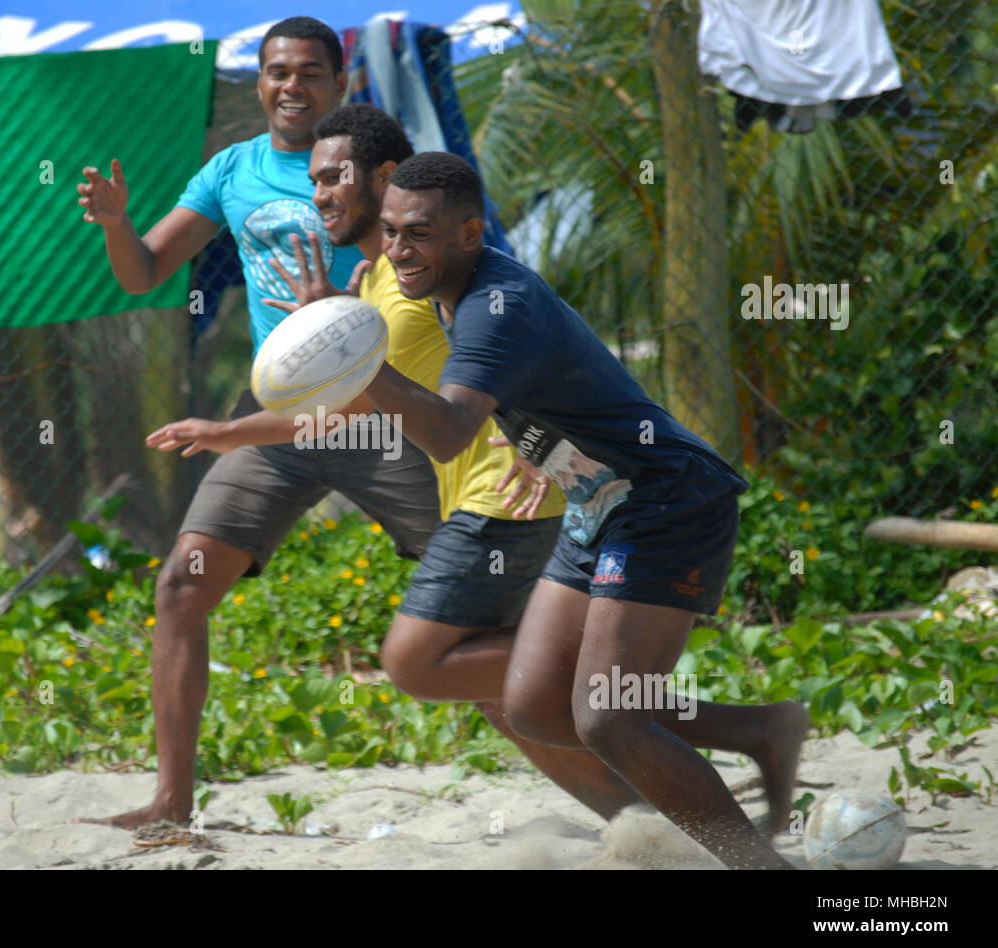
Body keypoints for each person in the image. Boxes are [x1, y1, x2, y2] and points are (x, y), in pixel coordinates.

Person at [154, 103, 646, 821]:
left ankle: (650, 709)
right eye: (312, 180)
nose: (318, 193)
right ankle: (640, 818)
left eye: (333, 178)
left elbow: (530, 343)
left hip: (505, 494)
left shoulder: (431, 274)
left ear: (384, 177)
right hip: (478, 493)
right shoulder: (384, 279)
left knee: (431, 663)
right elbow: (374, 400)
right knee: (476, 675)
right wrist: (242, 427)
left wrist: (539, 441)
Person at [361, 151, 808, 869]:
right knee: (537, 706)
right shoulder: (451, 292)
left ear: (470, 233)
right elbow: (556, 386)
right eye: (388, 231)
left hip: (666, 499)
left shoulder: (493, 307)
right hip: (596, 503)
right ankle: (761, 731)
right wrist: (537, 449)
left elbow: (446, 434)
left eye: (417, 233)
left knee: (607, 716)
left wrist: (355, 361)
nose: (397, 250)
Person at [74, 17, 440, 830]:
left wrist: (344, 314)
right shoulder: (230, 171)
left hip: (381, 413)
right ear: (259, 84)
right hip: (276, 417)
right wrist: (114, 227)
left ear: (339, 86)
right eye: (276, 72)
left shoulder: (385, 174)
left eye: (310, 73)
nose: (291, 86)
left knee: (491, 597)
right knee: (180, 586)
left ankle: (611, 733)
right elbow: (145, 273)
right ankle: (170, 803)